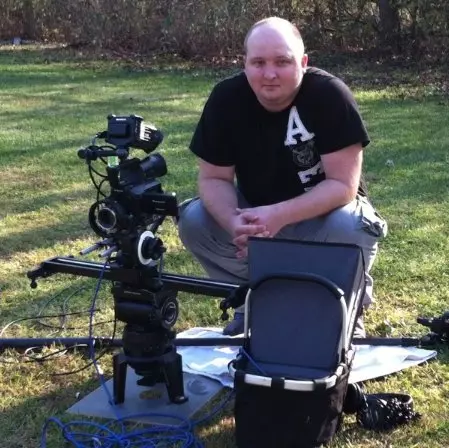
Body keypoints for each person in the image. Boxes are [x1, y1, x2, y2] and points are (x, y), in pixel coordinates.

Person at [177, 16, 387, 336]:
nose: (270, 73)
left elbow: (343, 186)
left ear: (303, 62)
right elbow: (213, 179)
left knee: (352, 223)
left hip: (322, 219)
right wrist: (237, 224)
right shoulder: (226, 99)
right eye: (258, 62)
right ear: (244, 64)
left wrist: (277, 215)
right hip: (257, 222)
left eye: (282, 61)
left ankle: (342, 309)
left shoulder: (330, 95)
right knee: (195, 219)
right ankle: (251, 304)